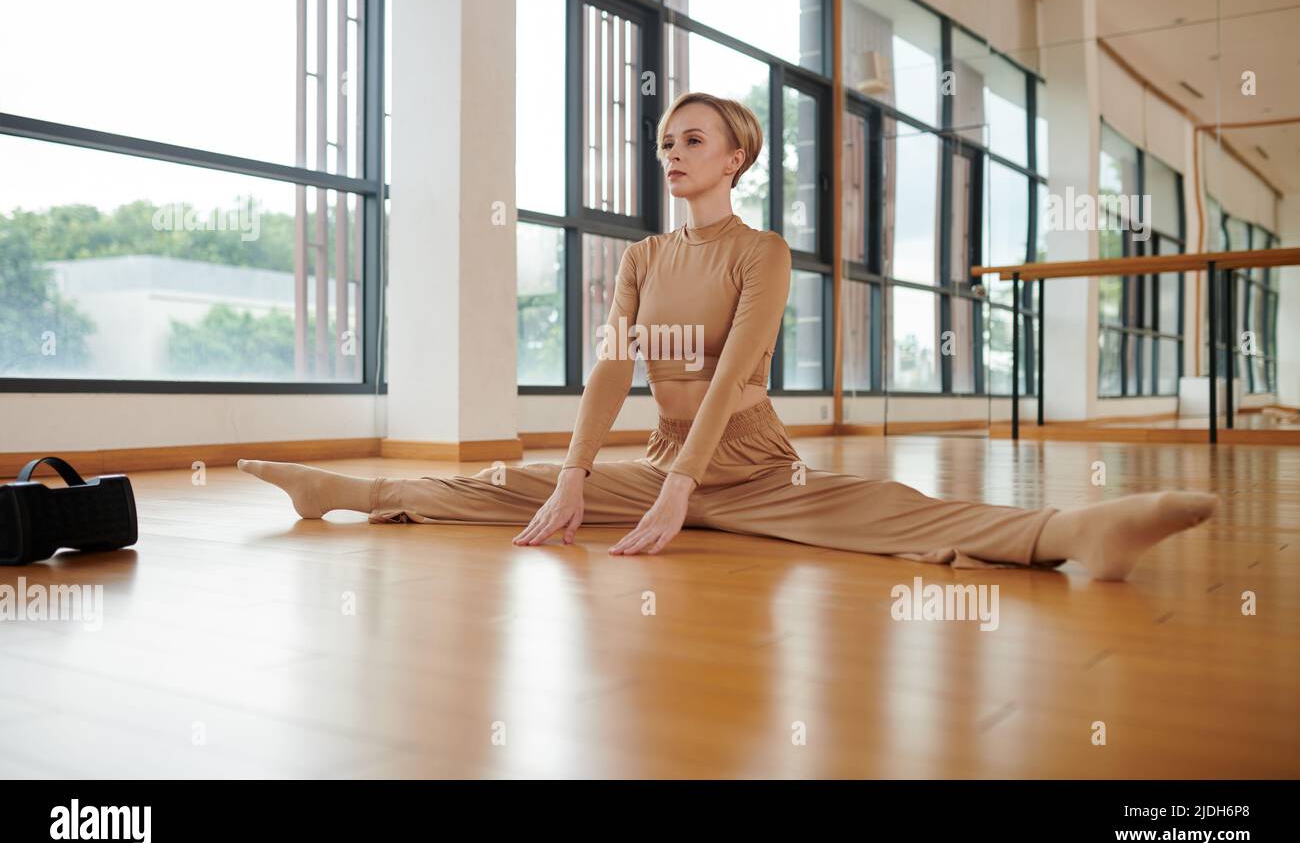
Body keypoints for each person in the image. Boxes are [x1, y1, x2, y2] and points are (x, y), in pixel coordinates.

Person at [239, 91, 1217, 580]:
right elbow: (611, 368)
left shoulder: (764, 253)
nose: (674, 152)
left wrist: (681, 488)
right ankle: (348, 494)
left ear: (738, 154)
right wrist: (580, 471)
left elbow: (729, 376)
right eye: (665, 142)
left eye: (693, 139)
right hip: (665, 459)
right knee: (508, 483)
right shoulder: (643, 254)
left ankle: (1073, 536)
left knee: (889, 508)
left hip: (747, 462)